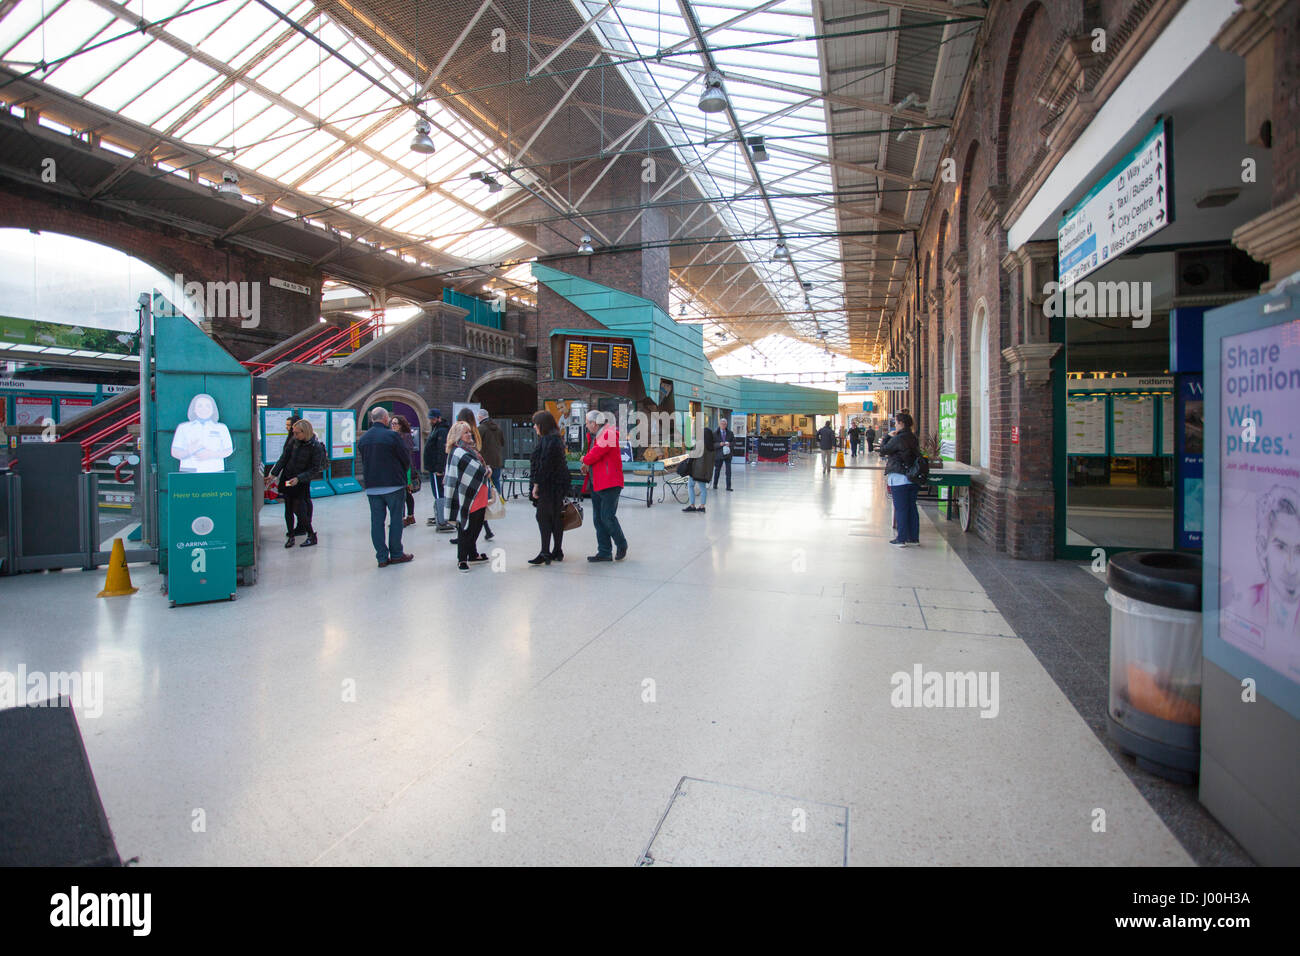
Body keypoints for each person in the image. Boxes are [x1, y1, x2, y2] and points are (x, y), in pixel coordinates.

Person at [358, 406, 414, 567]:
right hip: (393, 484)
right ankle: (396, 554)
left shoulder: (364, 439)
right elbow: (405, 459)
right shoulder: (392, 436)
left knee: (377, 522)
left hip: (372, 486)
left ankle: (381, 557)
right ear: (385, 419)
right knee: (396, 520)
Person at [270, 417, 326, 548]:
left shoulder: (315, 447)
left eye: (297, 433)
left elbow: (314, 469)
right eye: (293, 432)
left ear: (305, 432)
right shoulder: (294, 442)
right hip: (288, 479)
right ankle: (291, 536)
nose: (294, 435)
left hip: (300, 482)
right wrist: (273, 474)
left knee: (299, 509)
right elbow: (284, 458)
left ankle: (311, 534)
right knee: (288, 506)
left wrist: (299, 478)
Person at [444, 421, 491, 572]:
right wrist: (486, 470)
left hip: (479, 493)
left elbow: (479, 466)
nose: (469, 434)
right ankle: (462, 559)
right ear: (458, 435)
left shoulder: (470, 449)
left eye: (469, 432)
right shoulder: (458, 451)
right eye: (466, 432)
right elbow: (474, 469)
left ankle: (473, 553)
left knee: (476, 525)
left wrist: (485, 469)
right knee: (466, 527)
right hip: (467, 496)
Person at [580, 410, 628, 562]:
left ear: (594, 423)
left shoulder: (609, 433)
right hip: (597, 483)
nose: (586, 426)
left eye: (587, 423)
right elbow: (596, 457)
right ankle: (604, 552)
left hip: (609, 483)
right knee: (598, 519)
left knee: (607, 517)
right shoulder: (597, 435)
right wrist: (587, 464)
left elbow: (596, 453)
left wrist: (585, 459)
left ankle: (622, 544)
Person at [528, 410, 569, 565]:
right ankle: (557, 550)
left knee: (543, 517)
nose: (534, 427)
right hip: (558, 485)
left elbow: (543, 465)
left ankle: (545, 552)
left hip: (548, 486)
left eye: (536, 424)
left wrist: (536, 485)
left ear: (542, 425)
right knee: (556, 518)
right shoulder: (556, 438)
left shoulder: (548, 440)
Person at [879, 411, 921, 547]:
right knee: (912, 508)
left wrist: (887, 437)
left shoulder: (898, 438)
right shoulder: (913, 438)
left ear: (901, 424)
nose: (895, 425)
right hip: (912, 477)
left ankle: (901, 538)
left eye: (896, 423)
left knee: (901, 508)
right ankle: (913, 538)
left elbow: (883, 450)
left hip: (899, 477)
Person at [456, 408, 494, 541]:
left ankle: (464, 536)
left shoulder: (465, 433)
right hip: (482, 468)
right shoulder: (477, 431)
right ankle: (484, 531)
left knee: (469, 506)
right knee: (477, 507)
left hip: (470, 472)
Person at [424, 409, 454, 532]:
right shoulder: (436, 428)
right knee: (437, 493)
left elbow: (442, 452)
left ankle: (442, 520)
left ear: (438, 418)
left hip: (437, 469)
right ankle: (440, 514)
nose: (430, 420)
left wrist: (439, 469)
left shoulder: (442, 430)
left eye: (432, 418)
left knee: (439, 492)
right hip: (433, 468)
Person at [390, 414, 419, 527]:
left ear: (401, 425)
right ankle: (409, 517)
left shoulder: (405, 436)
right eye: (392, 423)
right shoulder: (392, 435)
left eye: (395, 423)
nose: (393, 426)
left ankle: (403, 518)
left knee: (403, 494)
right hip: (396, 468)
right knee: (405, 495)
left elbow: (406, 455)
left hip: (404, 469)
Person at [684, 426, 716, 513]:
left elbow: (692, 455)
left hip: (696, 471)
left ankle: (692, 505)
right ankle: (702, 506)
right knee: (703, 488)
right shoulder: (712, 447)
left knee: (690, 486)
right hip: (705, 472)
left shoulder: (700, 445)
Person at [712, 417, 735, 491]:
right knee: (717, 470)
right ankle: (715, 484)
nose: (723, 425)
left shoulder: (730, 433)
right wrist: (719, 444)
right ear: (719, 424)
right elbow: (712, 444)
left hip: (728, 454)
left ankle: (728, 486)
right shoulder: (715, 433)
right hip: (719, 455)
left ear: (726, 425)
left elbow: (734, 443)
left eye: (725, 424)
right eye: (722, 424)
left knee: (728, 471)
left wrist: (729, 444)